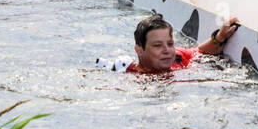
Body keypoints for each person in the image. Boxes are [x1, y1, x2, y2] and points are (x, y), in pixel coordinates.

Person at [100, 13, 240, 75]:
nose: (167, 50)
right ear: (139, 50)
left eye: (170, 43)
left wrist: (221, 36)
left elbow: (202, 52)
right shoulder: (131, 76)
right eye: (157, 45)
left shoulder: (177, 57)